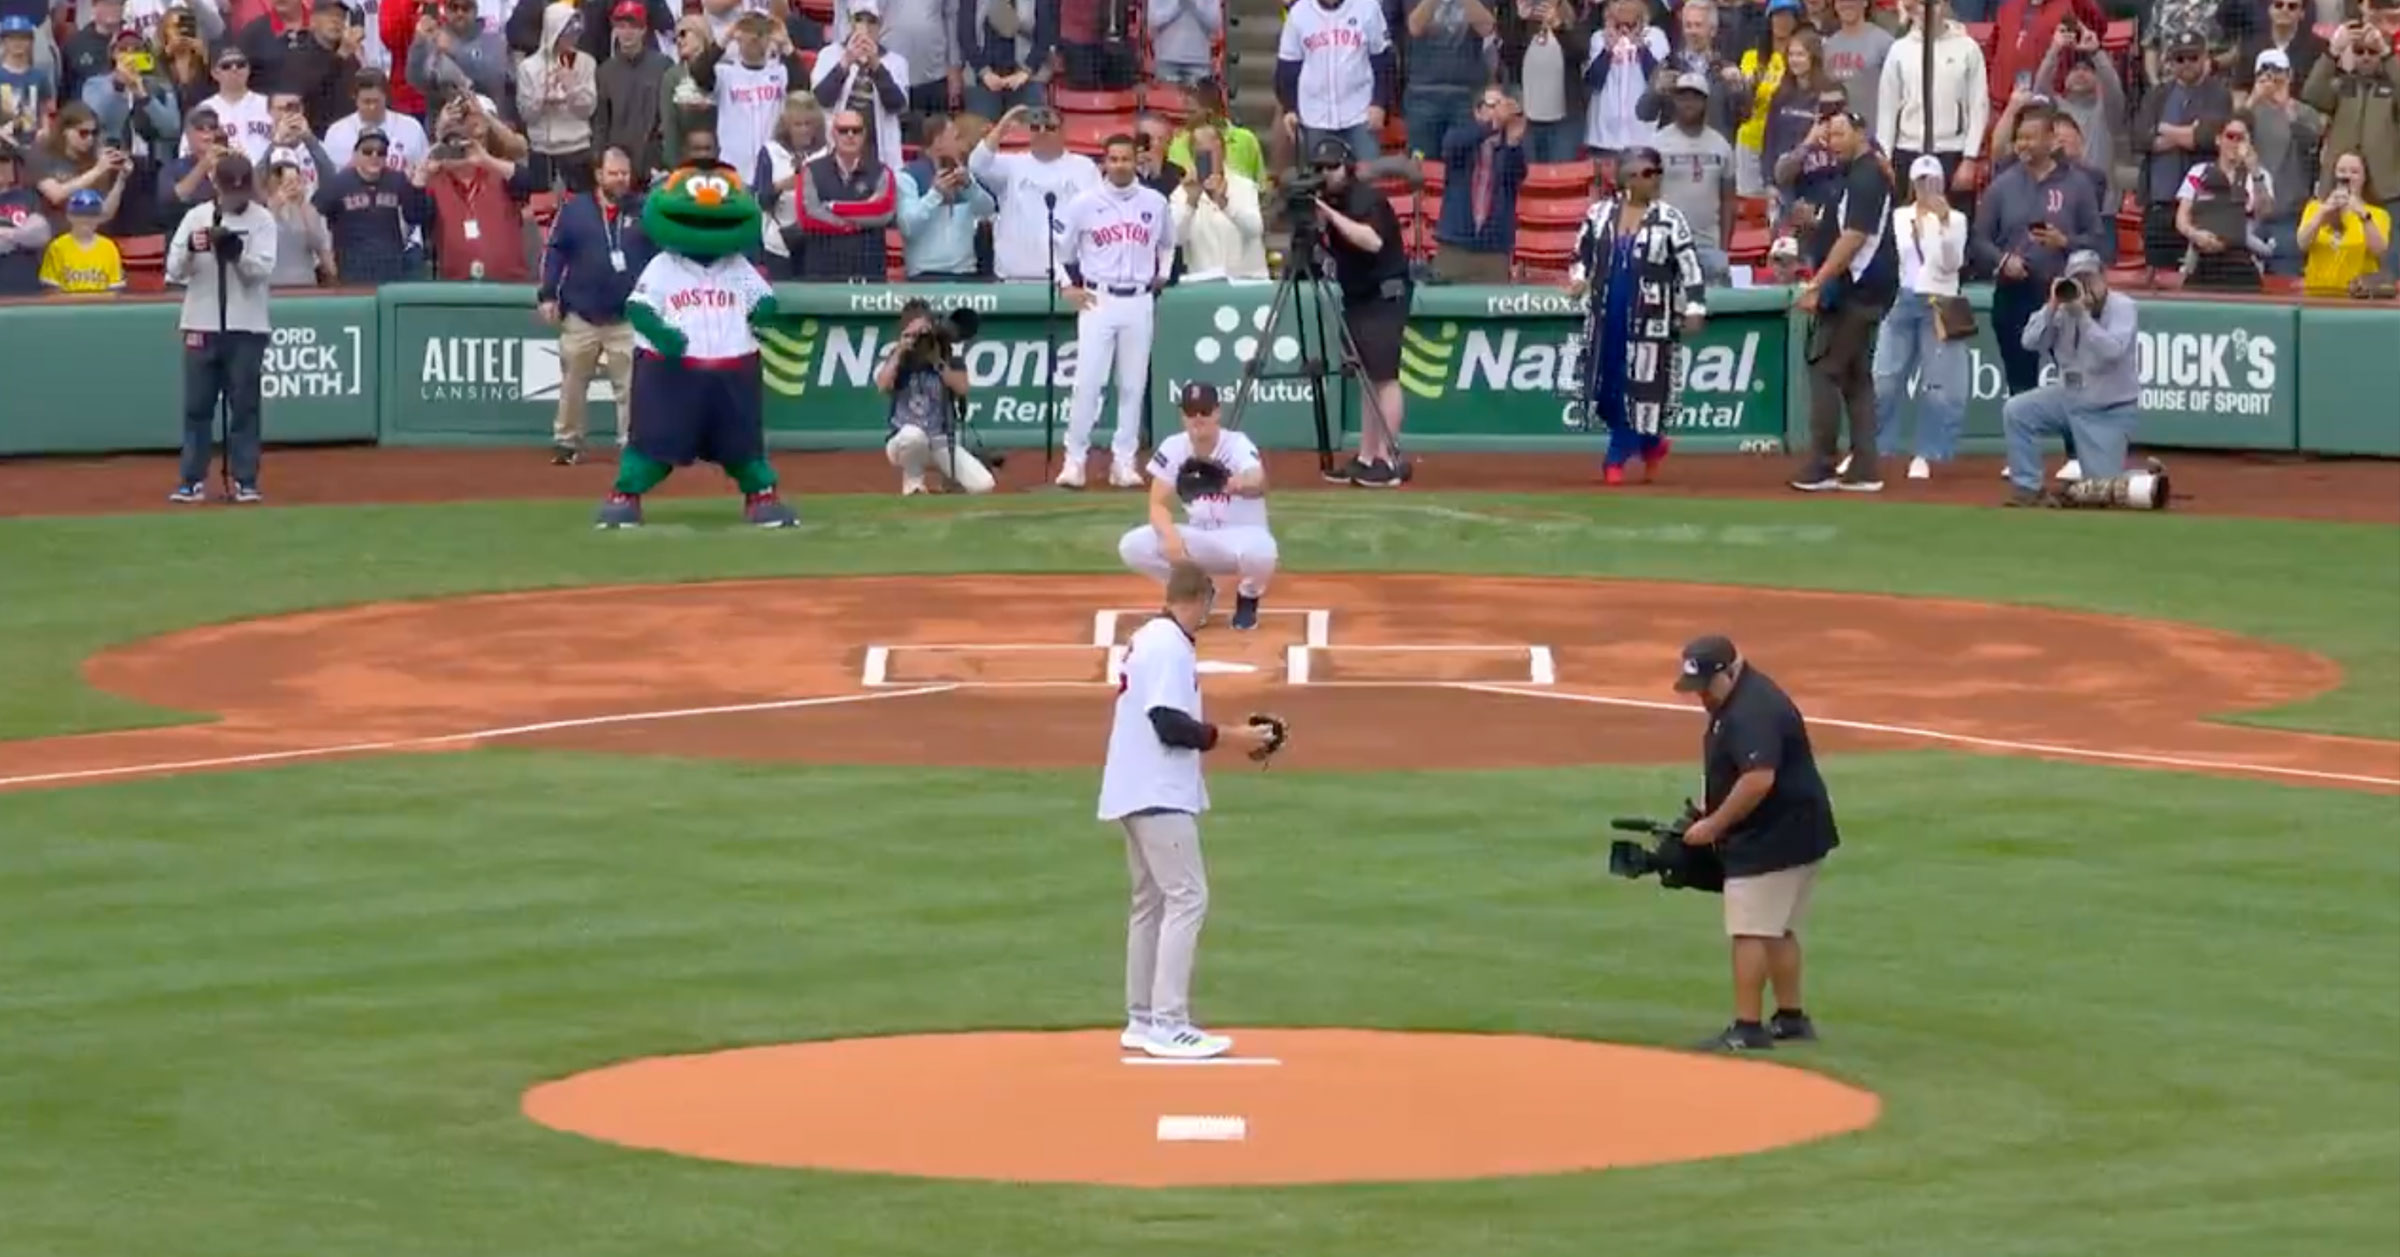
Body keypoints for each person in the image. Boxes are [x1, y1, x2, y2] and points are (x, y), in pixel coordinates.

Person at [1099, 559, 1277, 1062]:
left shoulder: (1150, 639)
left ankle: (1142, 1018)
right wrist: (1235, 737)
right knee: (1187, 897)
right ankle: (1170, 1023)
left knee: (1151, 902)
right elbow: (1169, 724)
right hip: (1157, 791)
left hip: (1133, 788)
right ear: (1201, 599)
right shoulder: (1170, 645)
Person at [1671, 634, 1840, 1053]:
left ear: (1731, 671)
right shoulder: (1738, 700)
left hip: (1775, 835)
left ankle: (1747, 1028)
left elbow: (1758, 779)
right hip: (1797, 830)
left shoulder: (1753, 710)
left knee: (1749, 930)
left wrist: (1714, 825)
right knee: (1778, 928)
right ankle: (1791, 1018)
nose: (1702, 698)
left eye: (1707, 687)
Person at [1567, 143, 1707, 485]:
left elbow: (1689, 266)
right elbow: (1581, 255)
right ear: (1625, 176)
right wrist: (1578, 279)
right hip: (1606, 314)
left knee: (1642, 388)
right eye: (1644, 173)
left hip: (1652, 319)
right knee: (1606, 387)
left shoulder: (1670, 219)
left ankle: (1616, 456)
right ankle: (1652, 444)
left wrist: (1695, 306)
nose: (1652, 179)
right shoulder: (1599, 214)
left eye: (1655, 172)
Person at [1052, 133, 1174, 489]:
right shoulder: (1084, 203)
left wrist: (1163, 273)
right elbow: (1058, 251)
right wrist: (1066, 286)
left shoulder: (1155, 201)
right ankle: (1074, 461)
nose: (1120, 165)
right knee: (1088, 384)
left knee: (1133, 386)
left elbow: (1167, 243)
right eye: (1114, 159)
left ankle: (1125, 462)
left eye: (1126, 158)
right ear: (1104, 162)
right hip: (1097, 297)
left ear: (1136, 160)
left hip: (1138, 298)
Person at [1788, 108, 1898, 493]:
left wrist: (1817, 283)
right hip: (1865, 286)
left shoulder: (1867, 174)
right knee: (1854, 377)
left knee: (1825, 368)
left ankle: (1821, 464)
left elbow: (1854, 237)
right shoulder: (1859, 173)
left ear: (1861, 133)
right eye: (1829, 136)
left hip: (1858, 287)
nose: (1833, 143)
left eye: (1840, 134)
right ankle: (1865, 467)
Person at [1119, 381, 1279, 630]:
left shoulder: (1236, 444)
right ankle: (1198, 591)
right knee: (1133, 545)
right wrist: (1170, 536)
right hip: (1200, 539)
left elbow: (1259, 480)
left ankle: (1248, 596)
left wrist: (1234, 482)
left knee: (1263, 551)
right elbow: (1157, 503)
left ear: (1217, 412)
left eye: (1204, 411)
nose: (1198, 418)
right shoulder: (1173, 447)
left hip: (1240, 538)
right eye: (1191, 412)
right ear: (1183, 415)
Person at [165, 151, 277, 505]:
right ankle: (192, 479)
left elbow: (261, 271)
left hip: (247, 326)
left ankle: (245, 479)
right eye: (231, 191)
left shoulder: (262, 220)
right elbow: (174, 271)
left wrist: (235, 253)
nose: (236, 199)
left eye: (242, 192)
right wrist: (193, 249)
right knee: (197, 406)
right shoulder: (196, 217)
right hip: (201, 320)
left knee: (244, 405)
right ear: (216, 185)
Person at [1972, 103, 2101, 399]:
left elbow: (2098, 240)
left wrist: (2065, 242)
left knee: (2074, 378)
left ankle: (2078, 445)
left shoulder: (2078, 185)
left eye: (2031, 137)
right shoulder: (2002, 186)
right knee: (2020, 380)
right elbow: (1979, 239)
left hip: (2064, 291)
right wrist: (2003, 261)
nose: (2023, 145)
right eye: (2019, 138)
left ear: (2051, 139)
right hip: (2015, 291)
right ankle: (2023, 445)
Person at [1309, 135, 1412, 487]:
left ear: (1347, 166)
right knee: (1366, 379)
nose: (1326, 174)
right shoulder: (1324, 200)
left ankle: (1388, 457)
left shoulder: (1366, 198)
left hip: (1385, 294)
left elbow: (1372, 241)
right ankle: (1367, 457)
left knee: (1384, 377)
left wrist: (1331, 217)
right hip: (1355, 295)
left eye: (1332, 167)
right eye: (1319, 169)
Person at [2001, 249, 2137, 505]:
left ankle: (2144, 480)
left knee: (2102, 492)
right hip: (2067, 397)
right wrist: (2051, 307)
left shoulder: (2123, 307)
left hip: (2107, 408)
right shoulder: (2063, 306)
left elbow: (2113, 352)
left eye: (2090, 279)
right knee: (2017, 410)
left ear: (2104, 277)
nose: (2085, 287)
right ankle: (2028, 491)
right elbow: (2030, 342)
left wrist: (2082, 318)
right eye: (2078, 280)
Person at [540, 147, 648, 463]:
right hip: (582, 314)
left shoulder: (644, 210)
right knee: (573, 382)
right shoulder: (576, 210)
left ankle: (633, 444)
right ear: (599, 175)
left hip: (626, 315)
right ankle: (568, 442)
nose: (620, 179)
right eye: (614, 173)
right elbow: (555, 253)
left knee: (630, 387)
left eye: (625, 173)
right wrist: (548, 295)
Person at [1871, 154, 1967, 481]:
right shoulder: (1898, 217)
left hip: (1941, 301)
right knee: (1884, 379)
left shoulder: (1956, 219)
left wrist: (1942, 224)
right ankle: (1876, 448)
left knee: (1939, 385)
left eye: (1933, 180)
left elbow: (1952, 263)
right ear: (1912, 184)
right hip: (1903, 299)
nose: (1927, 187)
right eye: (1922, 181)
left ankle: (1930, 452)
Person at [1874, 0, 1989, 223]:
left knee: (1954, 228)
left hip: (1952, 153)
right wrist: (1885, 156)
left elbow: (1978, 106)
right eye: (1920, 4)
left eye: (1933, 3)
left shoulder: (1967, 48)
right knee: (1907, 230)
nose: (1926, 10)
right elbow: (1887, 108)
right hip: (1907, 151)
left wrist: (1970, 157)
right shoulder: (1899, 50)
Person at [2132, 31, 2233, 270]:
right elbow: (2139, 137)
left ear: (2205, 57)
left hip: (2200, 207)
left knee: (2197, 278)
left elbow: (2207, 137)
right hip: (2159, 204)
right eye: (2180, 59)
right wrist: (2185, 133)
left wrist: (2163, 129)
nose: (2187, 64)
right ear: (2170, 62)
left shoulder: (2218, 93)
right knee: (2157, 276)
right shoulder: (2158, 94)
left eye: (2192, 57)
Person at [877, 297, 993, 495]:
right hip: (902, 441)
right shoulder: (899, 358)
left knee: (983, 485)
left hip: (938, 441)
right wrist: (900, 350)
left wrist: (936, 361)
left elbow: (962, 388)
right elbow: (883, 385)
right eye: (915, 334)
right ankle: (913, 484)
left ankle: (943, 487)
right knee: (914, 437)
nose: (920, 340)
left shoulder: (946, 358)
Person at [972, 104, 1100, 282]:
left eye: (1050, 128)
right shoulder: (1011, 165)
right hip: (1014, 276)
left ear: (1063, 132)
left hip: (1065, 277)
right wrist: (1003, 126)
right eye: (1035, 127)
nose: (1042, 132)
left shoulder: (1084, 168)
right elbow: (977, 164)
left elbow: (1095, 216)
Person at [1275, 0, 1394, 165]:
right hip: (1315, 116)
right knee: (1319, 181)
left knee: (1369, 178)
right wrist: (1290, 108)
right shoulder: (1299, 13)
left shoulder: (1368, 7)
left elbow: (1383, 60)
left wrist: (1380, 103)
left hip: (1360, 114)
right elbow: (1287, 67)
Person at [1433, 84, 1529, 283]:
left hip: (1493, 253)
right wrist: (1492, 126)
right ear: (1478, 111)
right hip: (1455, 247)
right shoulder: (1460, 137)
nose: (1499, 112)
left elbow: (1517, 175)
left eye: (1503, 107)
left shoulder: (1511, 150)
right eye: (1493, 105)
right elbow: (1451, 146)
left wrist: (1512, 141)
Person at [794, 106, 898, 280]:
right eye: (843, 130)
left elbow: (883, 213)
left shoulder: (882, 172)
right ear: (833, 134)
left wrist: (833, 208)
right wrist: (858, 216)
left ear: (864, 135)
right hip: (822, 270)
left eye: (856, 131)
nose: (850, 135)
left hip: (868, 270)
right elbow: (808, 215)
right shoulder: (811, 170)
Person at [315, 126, 431, 282]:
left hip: (391, 267)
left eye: (381, 152)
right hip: (351, 268)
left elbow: (415, 217)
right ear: (356, 154)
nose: (374, 156)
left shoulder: (397, 180)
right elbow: (315, 216)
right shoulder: (338, 183)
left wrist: (418, 187)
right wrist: (325, 255)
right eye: (368, 151)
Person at [1651, 71, 1736, 283]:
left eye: (1695, 97)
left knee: (1714, 308)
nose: (1688, 103)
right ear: (1674, 101)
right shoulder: (1657, 143)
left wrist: (1723, 248)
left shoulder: (1721, 145)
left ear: (1706, 102)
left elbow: (1728, 200)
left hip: (1709, 245)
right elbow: (1647, 196)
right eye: (1682, 97)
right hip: (1667, 244)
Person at [2174, 110, 2274, 290]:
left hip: (2240, 259)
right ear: (2218, 139)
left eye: (2241, 138)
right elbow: (2182, 218)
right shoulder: (2199, 172)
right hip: (2202, 258)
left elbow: (2265, 212)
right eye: (2230, 136)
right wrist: (2194, 234)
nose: (2235, 143)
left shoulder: (2259, 175)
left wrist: (2255, 172)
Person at [806, 0, 907, 170]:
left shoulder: (896, 62)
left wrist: (876, 65)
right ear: (850, 22)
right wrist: (846, 61)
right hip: (834, 153)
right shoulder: (829, 55)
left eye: (872, 22)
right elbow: (821, 100)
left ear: (881, 25)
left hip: (879, 154)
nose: (865, 28)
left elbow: (897, 105)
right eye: (859, 20)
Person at [894, 112, 993, 281]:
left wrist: (970, 187)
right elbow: (907, 227)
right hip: (924, 275)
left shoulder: (964, 173)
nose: (962, 144)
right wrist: (934, 195)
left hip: (966, 273)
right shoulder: (907, 176)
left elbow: (987, 210)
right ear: (938, 141)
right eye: (955, 137)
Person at [518, 1, 598, 193]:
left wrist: (572, 87)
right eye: (567, 32)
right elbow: (526, 114)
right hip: (542, 151)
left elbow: (588, 108)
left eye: (576, 32)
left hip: (577, 149)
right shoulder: (528, 67)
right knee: (544, 209)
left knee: (581, 207)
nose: (572, 38)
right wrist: (541, 96)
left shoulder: (586, 62)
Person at [1170, 121, 1267, 280]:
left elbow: (1255, 229)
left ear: (1222, 151)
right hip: (1204, 284)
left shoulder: (1244, 186)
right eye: (1199, 153)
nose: (1205, 159)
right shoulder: (1182, 192)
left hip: (1247, 282)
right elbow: (1175, 239)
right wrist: (1190, 204)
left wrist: (1226, 204)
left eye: (1209, 152)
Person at [1499, 0, 1592, 163]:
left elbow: (1581, 52)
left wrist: (1559, 27)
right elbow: (1508, 57)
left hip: (1565, 120)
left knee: (1561, 178)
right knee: (1528, 179)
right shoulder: (1520, 23)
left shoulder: (1572, 19)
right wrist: (1520, 22)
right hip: (1527, 118)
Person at [590, 0, 668, 181]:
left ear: (643, 29)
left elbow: (668, 120)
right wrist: (598, 161)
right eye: (621, 26)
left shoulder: (662, 66)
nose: (627, 32)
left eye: (633, 26)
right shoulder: (605, 71)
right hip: (618, 164)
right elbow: (601, 123)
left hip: (653, 161)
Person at [2298, 149, 2392, 294]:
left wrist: (2362, 214)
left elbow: (2379, 250)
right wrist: (2323, 212)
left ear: (2364, 177)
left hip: (2356, 298)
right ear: (2334, 175)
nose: (2347, 176)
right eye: (2342, 171)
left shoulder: (2377, 214)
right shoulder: (2314, 208)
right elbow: (2302, 243)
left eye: (2354, 172)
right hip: (2316, 295)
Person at [324, 70, 427, 168]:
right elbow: (330, 176)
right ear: (355, 98)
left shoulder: (411, 128)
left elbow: (423, 167)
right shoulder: (337, 133)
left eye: (376, 101)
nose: (372, 107)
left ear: (386, 97)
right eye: (367, 102)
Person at [261, 157, 335, 284]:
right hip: (271, 285)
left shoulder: (310, 211)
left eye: (295, 180)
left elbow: (319, 245)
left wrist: (302, 207)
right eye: (281, 180)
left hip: (304, 284)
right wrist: (277, 206)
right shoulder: (260, 212)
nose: (288, 185)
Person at [39, 185, 125, 291]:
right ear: (69, 216)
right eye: (80, 215)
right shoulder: (57, 247)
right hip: (67, 306)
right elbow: (51, 290)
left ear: (99, 218)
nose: (85, 220)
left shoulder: (109, 248)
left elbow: (115, 291)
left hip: (100, 306)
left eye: (91, 215)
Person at [0, 145, 55, 296]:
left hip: (25, 284)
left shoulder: (28, 197)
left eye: (5, 161)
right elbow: (28, 233)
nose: (2, 167)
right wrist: (20, 235)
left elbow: (41, 234)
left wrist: (7, 235)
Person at [1148, 0, 1222, 87]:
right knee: (1168, 99)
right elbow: (1153, 21)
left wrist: (1194, 6)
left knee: (1199, 99)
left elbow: (1215, 24)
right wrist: (1178, 6)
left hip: (1199, 62)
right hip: (1167, 61)